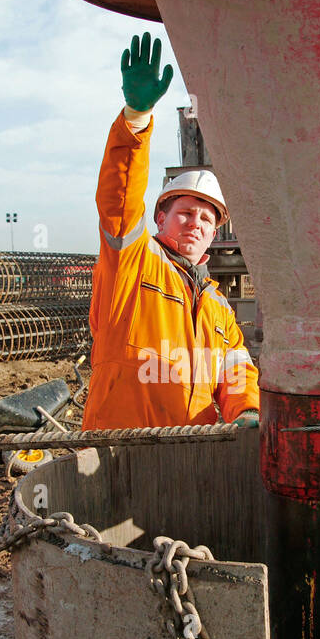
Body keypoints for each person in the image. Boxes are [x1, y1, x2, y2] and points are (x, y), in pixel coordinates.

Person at [83, 32, 260, 431]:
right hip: (119, 447)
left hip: (188, 453)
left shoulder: (217, 308)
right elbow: (119, 199)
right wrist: (135, 119)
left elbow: (236, 370)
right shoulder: (133, 265)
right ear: (160, 218)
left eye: (206, 218)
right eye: (185, 212)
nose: (195, 223)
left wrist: (247, 411)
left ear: (215, 233)